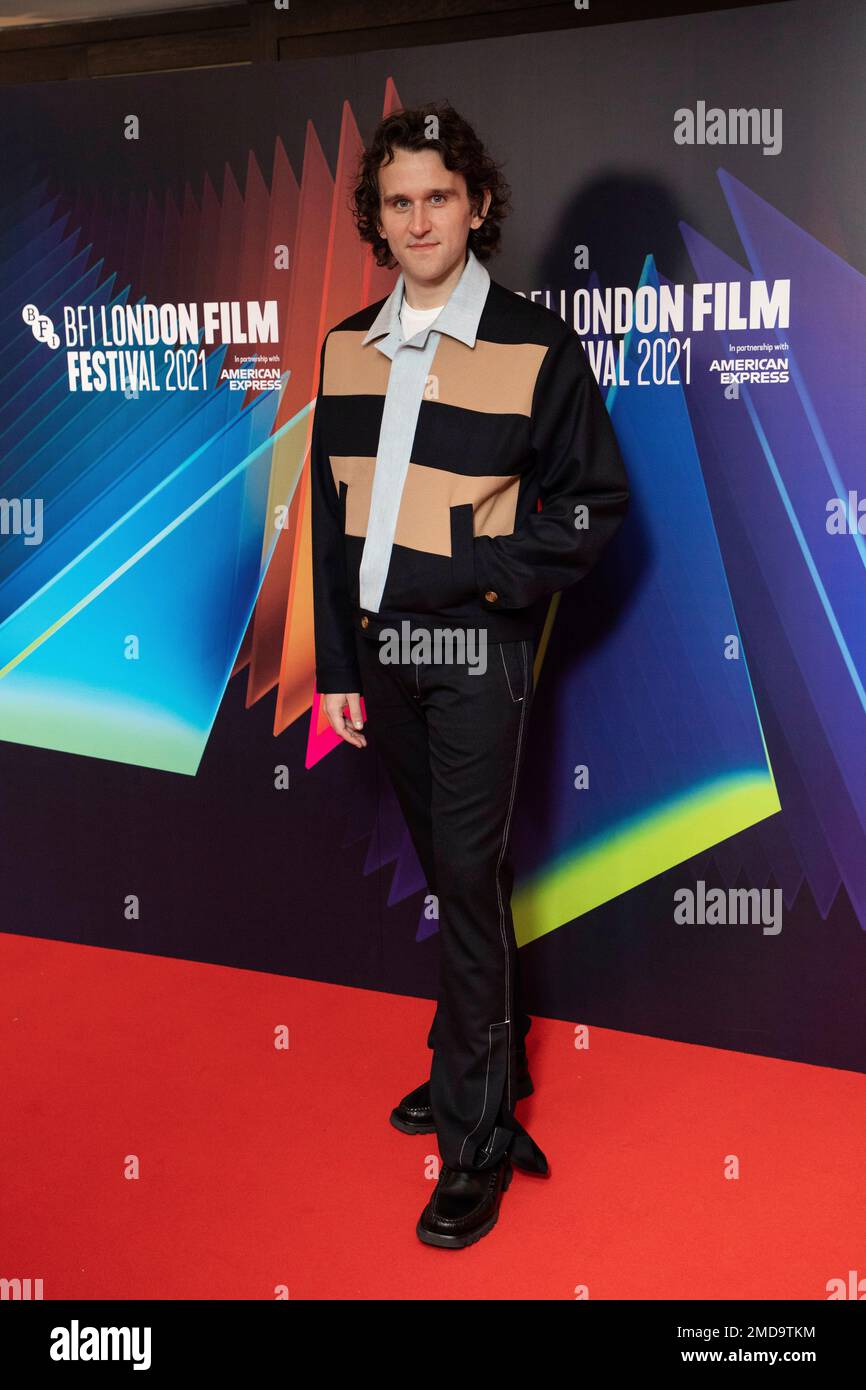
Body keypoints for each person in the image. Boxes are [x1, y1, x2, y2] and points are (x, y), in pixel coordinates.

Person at [310, 101, 630, 1248]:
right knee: (458, 877)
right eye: (396, 201)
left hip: (475, 651)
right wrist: (337, 664)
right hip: (381, 660)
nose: (417, 218)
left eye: (437, 195)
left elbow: (593, 508)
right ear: (377, 219)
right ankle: (471, 1062)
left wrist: (471, 572)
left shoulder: (538, 346)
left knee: (464, 868)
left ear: (476, 206)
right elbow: (334, 522)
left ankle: (475, 1138)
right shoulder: (345, 344)